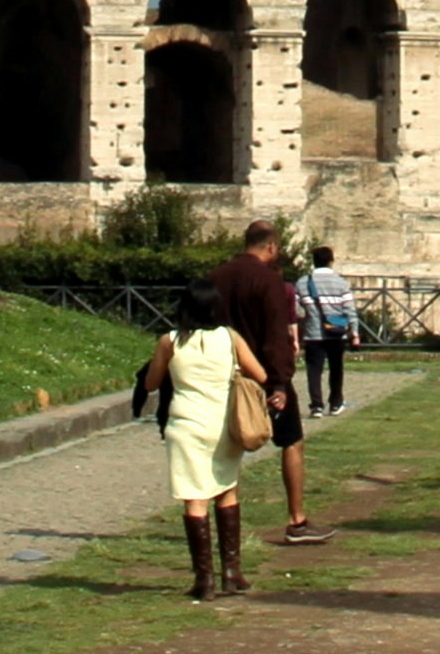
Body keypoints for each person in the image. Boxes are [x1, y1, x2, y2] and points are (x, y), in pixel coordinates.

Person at [145, 279, 269, 600]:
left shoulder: (169, 342)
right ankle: (232, 571)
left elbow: (150, 383)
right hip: (223, 424)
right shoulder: (230, 338)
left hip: (186, 425)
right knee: (227, 490)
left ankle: (205, 579)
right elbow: (261, 374)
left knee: (194, 497)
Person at [215, 218, 329, 544]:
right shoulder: (269, 282)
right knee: (291, 441)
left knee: (227, 448)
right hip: (265, 375)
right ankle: (296, 519)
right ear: (272, 247)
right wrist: (278, 383)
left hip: (224, 374)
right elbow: (276, 336)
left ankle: (227, 523)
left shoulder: (217, 277)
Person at [296, 242, 359, 416]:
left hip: (312, 333)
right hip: (336, 332)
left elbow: (297, 311)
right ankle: (335, 402)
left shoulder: (303, 282)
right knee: (336, 369)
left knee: (314, 370)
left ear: (313, 262)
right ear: (331, 261)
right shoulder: (340, 282)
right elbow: (349, 309)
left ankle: (316, 405)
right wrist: (354, 333)